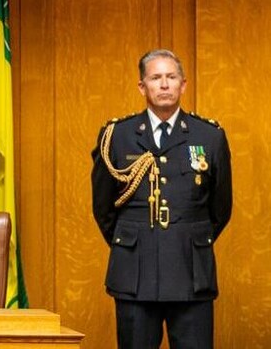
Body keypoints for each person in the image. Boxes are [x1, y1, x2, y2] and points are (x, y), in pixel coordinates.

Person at [91, 49, 232, 349]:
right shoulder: (116, 136)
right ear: (142, 86)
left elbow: (220, 209)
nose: (164, 84)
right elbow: (103, 208)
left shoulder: (209, 136)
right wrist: (133, 242)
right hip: (135, 274)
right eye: (156, 78)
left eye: (171, 77)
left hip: (191, 273)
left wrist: (189, 238)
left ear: (183, 84)